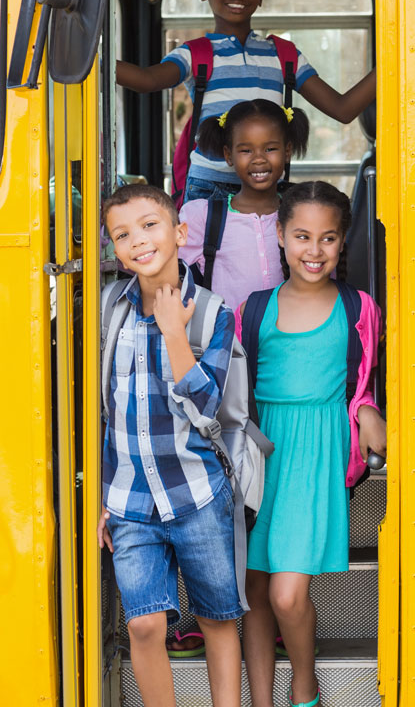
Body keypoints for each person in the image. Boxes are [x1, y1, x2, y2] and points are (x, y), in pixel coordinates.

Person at [234, 181, 387, 707]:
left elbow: (361, 378)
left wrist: (367, 409)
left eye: (327, 238)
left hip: (316, 455)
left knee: (286, 591)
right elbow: (236, 387)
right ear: (280, 236)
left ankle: (304, 685)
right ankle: (261, 700)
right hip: (259, 455)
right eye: (302, 236)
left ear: (343, 242)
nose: (314, 251)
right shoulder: (253, 309)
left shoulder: (359, 307)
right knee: (253, 592)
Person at [97, 184, 243, 707]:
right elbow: (105, 413)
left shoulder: (213, 313)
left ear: (180, 233)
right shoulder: (109, 311)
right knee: (143, 625)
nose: (137, 240)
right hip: (129, 502)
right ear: (112, 247)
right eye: (121, 234)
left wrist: (175, 335)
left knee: (217, 619)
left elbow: (205, 408)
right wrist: (100, 499)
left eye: (149, 225)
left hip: (197, 494)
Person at [116, 0, 376, 202]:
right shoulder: (195, 53)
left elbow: (343, 109)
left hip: (267, 190)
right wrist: (93, 57)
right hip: (208, 189)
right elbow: (146, 80)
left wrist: (396, 61)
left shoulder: (284, 55)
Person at [179, 98, 309, 311]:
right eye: (246, 150)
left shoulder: (302, 215)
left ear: (287, 151)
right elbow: (170, 274)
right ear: (228, 155)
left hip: (289, 342)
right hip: (226, 342)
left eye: (270, 149)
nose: (259, 159)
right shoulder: (202, 217)